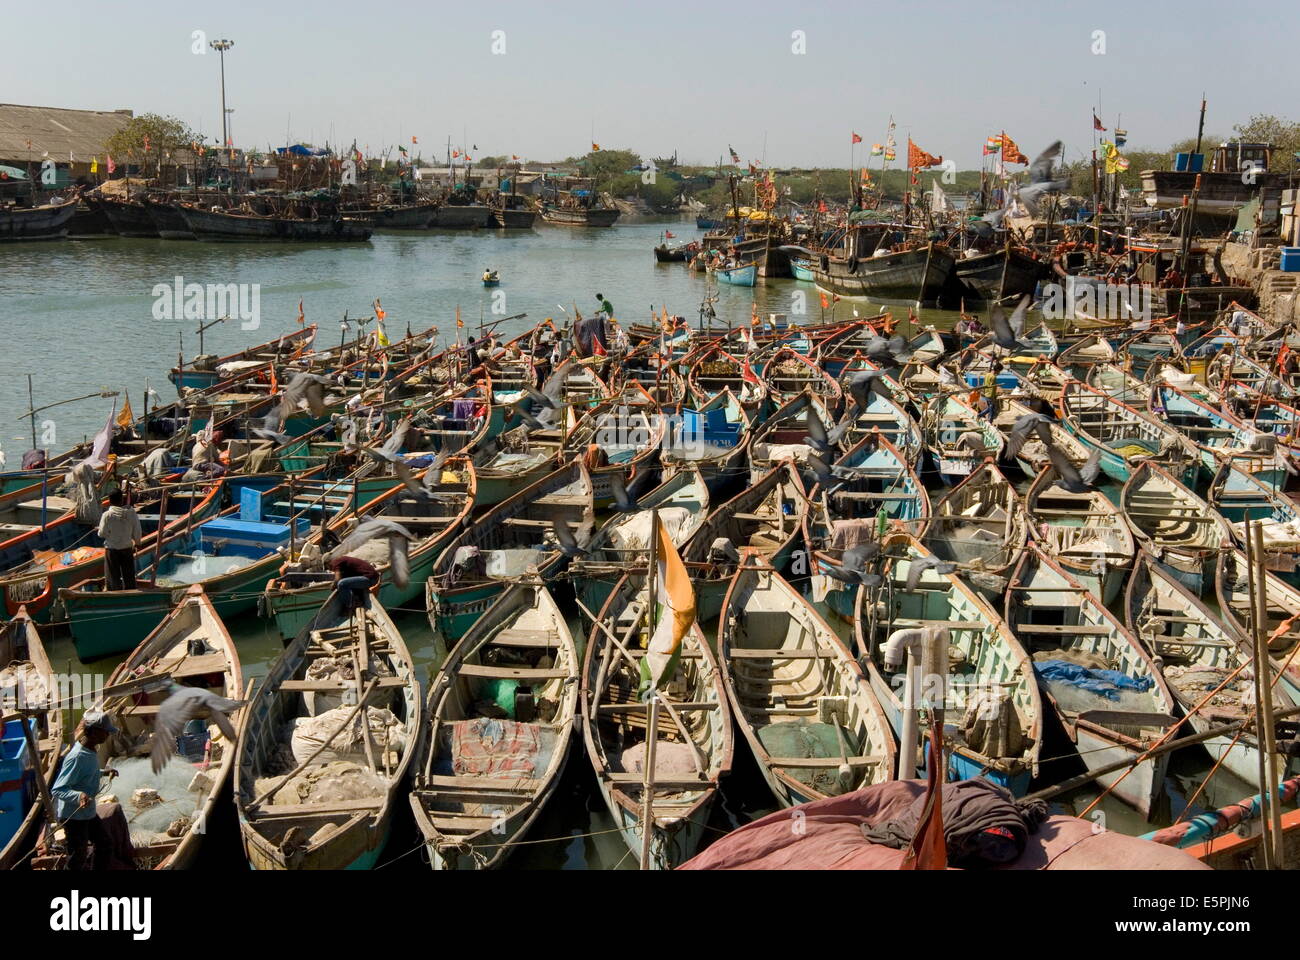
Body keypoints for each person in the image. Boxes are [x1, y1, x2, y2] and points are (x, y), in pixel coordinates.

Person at [49, 711, 130, 871]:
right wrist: (78, 795)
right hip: (74, 817)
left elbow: (86, 773)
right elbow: (58, 789)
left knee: (105, 844)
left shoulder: (91, 750)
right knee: (77, 857)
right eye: (105, 731)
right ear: (93, 732)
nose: (107, 735)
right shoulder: (77, 756)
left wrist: (104, 772)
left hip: (88, 813)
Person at [97, 490, 142, 590]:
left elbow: (102, 533)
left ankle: (114, 594)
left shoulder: (107, 515)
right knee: (129, 576)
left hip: (111, 550)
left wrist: (108, 532)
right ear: (122, 500)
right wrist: (138, 543)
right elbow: (137, 530)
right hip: (126, 548)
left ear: (109, 501)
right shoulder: (131, 513)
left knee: (112, 577)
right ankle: (130, 593)